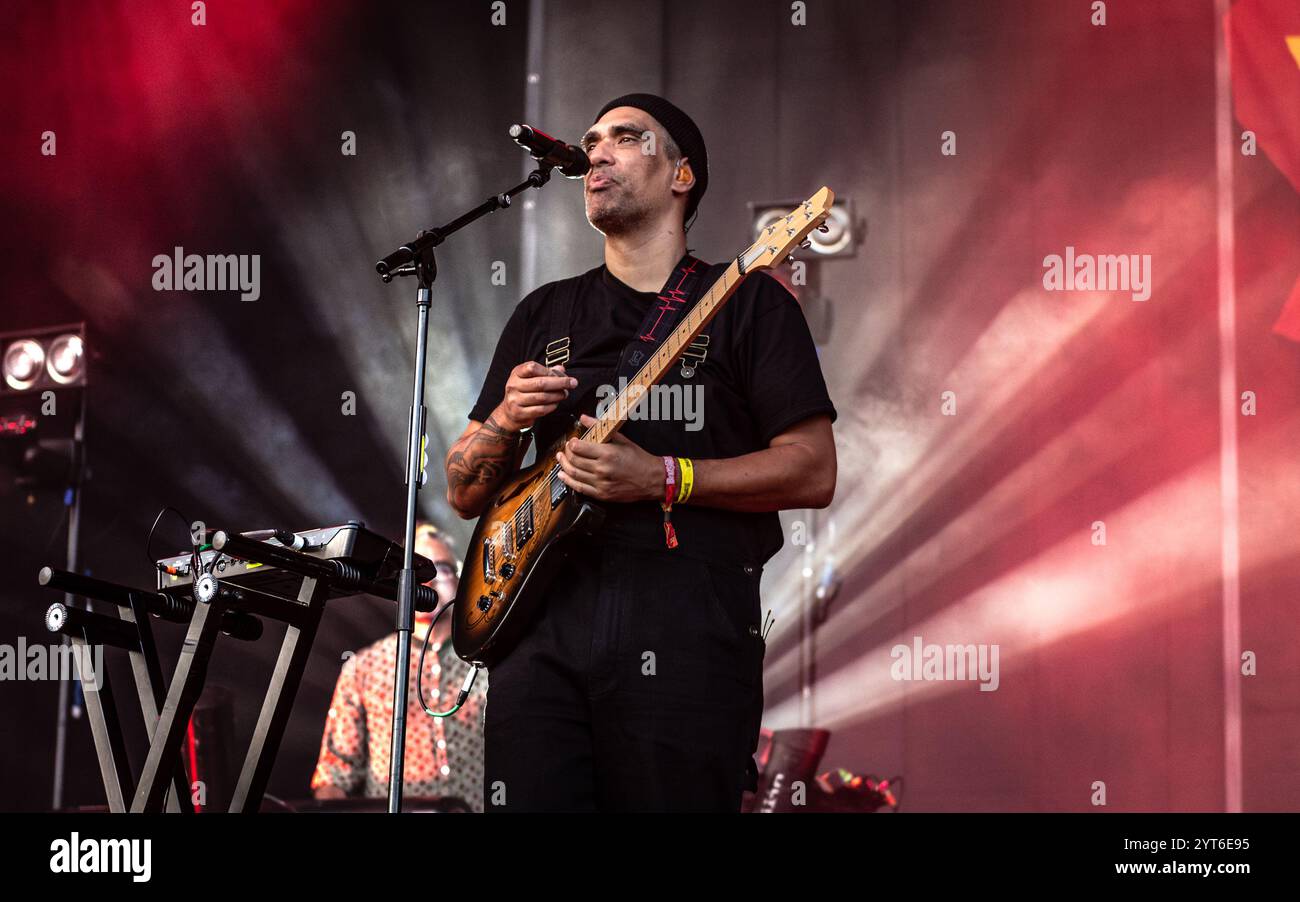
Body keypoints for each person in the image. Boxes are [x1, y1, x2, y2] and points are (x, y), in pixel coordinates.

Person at [445, 93, 837, 812]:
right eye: (593, 141)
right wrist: (504, 417)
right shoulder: (542, 312)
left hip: (687, 631)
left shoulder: (749, 305)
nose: (597, 153)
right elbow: (464, 492)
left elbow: (813, 469)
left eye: (627, 138)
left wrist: (663, 476)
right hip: (540, 633)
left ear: (682, 175)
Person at [310, 523, 486, 809]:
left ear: (460, 578)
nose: (427, 582)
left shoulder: (489, 656)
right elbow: (333, 776)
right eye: (417, 573)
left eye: (439, 568)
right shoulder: (364, 667)